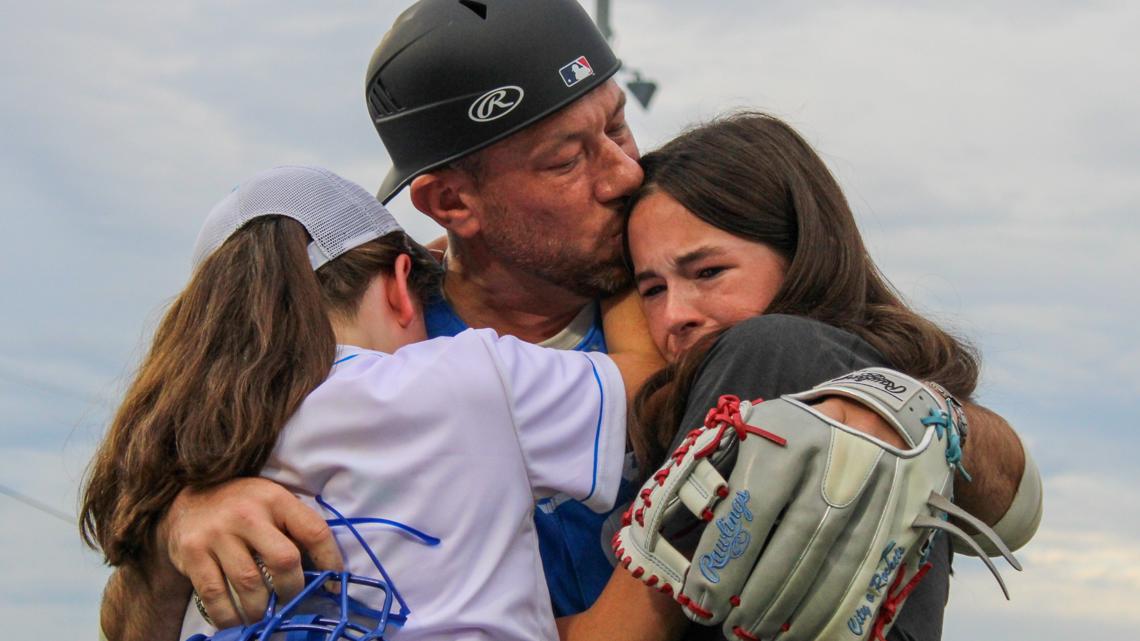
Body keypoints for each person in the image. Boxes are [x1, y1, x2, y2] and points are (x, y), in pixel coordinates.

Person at [96, 1, 1035, 639]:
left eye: (617, 126)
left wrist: (902, 411)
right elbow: (130, 617)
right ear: (451, 201)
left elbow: (1011, 491)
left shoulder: (694, 278)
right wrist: (185, 517)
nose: (624, 171)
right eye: (565, 159)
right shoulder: (349, 340)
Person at [80, 165, 672, 640]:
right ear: (399, 285)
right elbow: (649, 385)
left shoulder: (196, 449)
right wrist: (616, 253)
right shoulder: (468, 375)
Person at [619, 112, 1042, 639]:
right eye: (652, 289)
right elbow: (1019, 513)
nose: (675, 314)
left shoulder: (773, 346)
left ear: (800, 256)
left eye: (708, 272)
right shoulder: (870, 370)